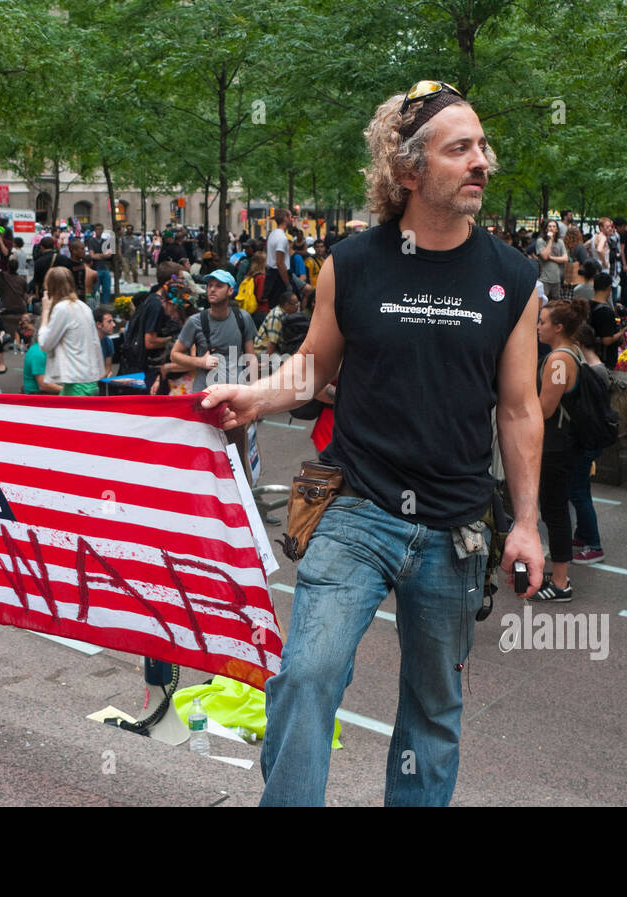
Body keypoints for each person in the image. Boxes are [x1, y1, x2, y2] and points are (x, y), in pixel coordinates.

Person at [200, 81, 543, 806]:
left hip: (455, 526)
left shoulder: (513, 280)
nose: (482, 161)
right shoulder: (353, 264)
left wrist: (525, 521)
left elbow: (518, 410)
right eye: (461, 149)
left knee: (433, 712)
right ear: (409, 171)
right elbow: (316, 367)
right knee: (306, 674)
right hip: (356, 506)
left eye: (482, 146)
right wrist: (253, 397)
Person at [534, 299, 589, 600]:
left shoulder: (557, 361)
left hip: (556, 446)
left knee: (554, 510)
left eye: (542, 322)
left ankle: (560, 582)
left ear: (558, 327)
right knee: (557, 509)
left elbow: (545, 409)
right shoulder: (574, 352)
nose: (538, 327)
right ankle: (557, 573)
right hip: (566, 444)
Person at [170, 269, 257, 392]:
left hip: (234, 392)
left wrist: (253, 392)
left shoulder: (243, 318)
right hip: (204, 393)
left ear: (230, 291)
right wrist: (200, 361)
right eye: (210, 285)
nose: (212, 289)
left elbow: (250, 358)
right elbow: (174, 355)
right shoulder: (195, 321)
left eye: (219, 286)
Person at [568, 322, 607, 565]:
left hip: (587, 438)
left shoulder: (592, 370)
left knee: (578, 492)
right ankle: (583, 535)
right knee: (581, 489)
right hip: (591, 438)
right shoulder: (596, 367)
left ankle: (594, 544)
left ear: (578, 344)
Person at [38, 267, 105, 396]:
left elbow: (45, 344)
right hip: (87, 379)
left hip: (76, 383)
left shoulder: (62, 309)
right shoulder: (83, 306)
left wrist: (45, 312)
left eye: (46, 290)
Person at [588, 272, 624, 369]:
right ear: (609, 288)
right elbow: (607, 340)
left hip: (589, 354)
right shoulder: (606, 312)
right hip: (604, 359)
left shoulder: (587, 305)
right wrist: (622, 331)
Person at [22, 322, 63, 395]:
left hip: (43, 390)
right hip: (37, 395)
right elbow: (43, 385)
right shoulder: (38, 352)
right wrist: (67, 390)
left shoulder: (45, 348)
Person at [263, 208, 292, 312]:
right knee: (282, 308)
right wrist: (288, 284)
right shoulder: (282, 238)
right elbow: (280, 263)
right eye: (290, 217)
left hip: (273, 275)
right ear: (285, 219)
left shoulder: (272, 234)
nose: (291, 220)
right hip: (279, 277)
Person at [534, 220, 568, 300]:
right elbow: (545, 257)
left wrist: (551, 257)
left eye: (554, 226)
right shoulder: (540, 241)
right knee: (543, 303)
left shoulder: (560, 242)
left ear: (557, 230)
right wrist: (550, 240)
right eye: (549, 226)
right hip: (544, 279)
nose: (551, 228)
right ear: (546, 229)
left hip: (557, 280)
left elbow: (565, 258)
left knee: (555, 305)